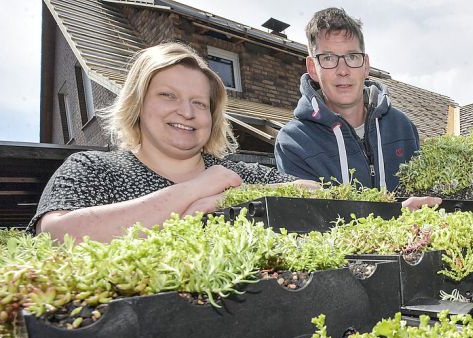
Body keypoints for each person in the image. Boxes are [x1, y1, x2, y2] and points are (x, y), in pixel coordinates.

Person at [31, 42, 315, 242]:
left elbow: (316, 192)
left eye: (199, 103)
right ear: (138, 103)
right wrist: (193, 191)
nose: (187, 112)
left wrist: (224, 200)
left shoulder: (238, 175)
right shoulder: (93, 169)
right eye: (168, 95)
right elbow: (56, 236)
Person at [274, 8, 439, 210]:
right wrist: (396, 215)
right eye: (328, 58)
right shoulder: (293, 141)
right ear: (312, 68)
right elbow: (304, 224)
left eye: (352, 57)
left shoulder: (402, 127)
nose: (343, 71)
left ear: (366, 65)